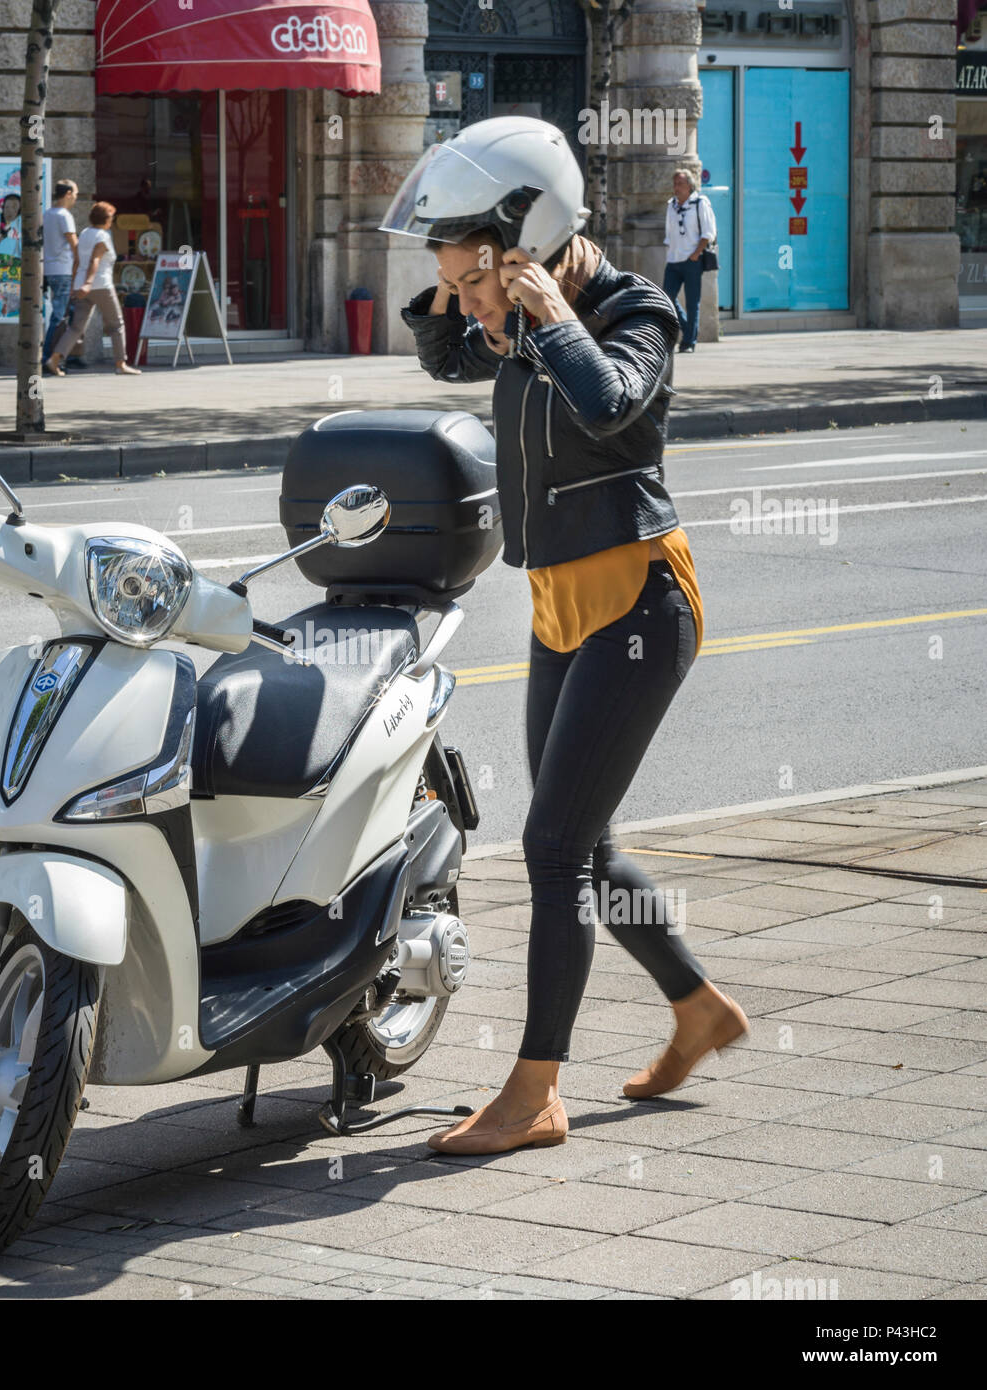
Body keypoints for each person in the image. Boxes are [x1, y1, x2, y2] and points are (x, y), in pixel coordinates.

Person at [384, 117, 748, 1155]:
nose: (475, 312)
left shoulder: (633, 310)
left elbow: (610, 404)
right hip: (558, 604)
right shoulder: (500, 312)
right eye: (466, 287)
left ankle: (534, 1090)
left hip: (639, 603)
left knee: (553, 849)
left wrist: (544, 320)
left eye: (483, 284)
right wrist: (454, 301)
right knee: (583, 842)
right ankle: (697, 1008)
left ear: (532, 249)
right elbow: (446, 358)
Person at [46, 201, 141, 376]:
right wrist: (88, 283)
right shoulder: (103, 236)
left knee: (76, 327)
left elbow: (77, 261)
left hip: (81, 285)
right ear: (106, 219)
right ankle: (121, 363)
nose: (112, 221)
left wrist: (76, 283)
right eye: (111, 218)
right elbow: (95, 261)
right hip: (100, 285)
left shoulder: (84, 233)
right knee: (116, 324)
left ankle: (55, 358)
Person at [663, 169, 716, 353]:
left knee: (693, 303)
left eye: (680, 183)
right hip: (673, 260)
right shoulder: (671, 205)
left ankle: (689, 342)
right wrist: (669, 252)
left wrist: (696, 254)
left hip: (692, 260)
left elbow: (708, 233)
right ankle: (687, 330)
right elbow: (668, 233)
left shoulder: (700, 203)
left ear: (689, 186)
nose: (676, 187)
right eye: (675, 183)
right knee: (667, 297)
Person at [42, 179, 79, 370]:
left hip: (49, 269)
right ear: (68, 194)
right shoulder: (64, 215)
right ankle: (49, 356)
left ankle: (62, 354)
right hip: (63, 269)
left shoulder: (47, 214)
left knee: (66, 314)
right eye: (75, 194)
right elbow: (74, 244)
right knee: (59, 317)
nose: (75, 198)